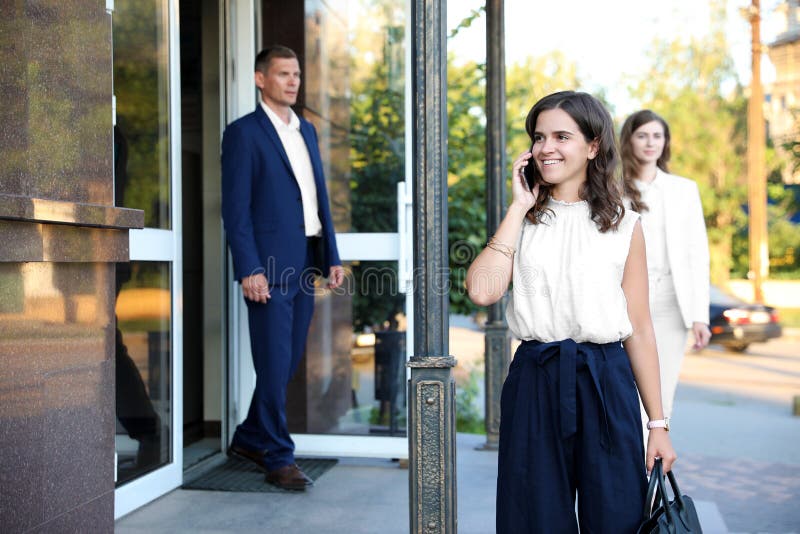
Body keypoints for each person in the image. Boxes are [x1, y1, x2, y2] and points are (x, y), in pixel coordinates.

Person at [466, 91, 676, 533]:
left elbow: (639, 327)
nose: (546, 148)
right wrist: (519, 206)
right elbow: (483, 292)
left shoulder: (625, 224)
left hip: (606, 380)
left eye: (562, 136)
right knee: (534, 518)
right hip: (536, 377)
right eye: (539, 137)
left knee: (617, 516)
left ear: (593, 145)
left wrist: (658, 424)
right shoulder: (522, 218)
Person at [221, 45, 344, 491]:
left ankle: (250, 437)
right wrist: (249, 268)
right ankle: (278, 456)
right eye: (282, 74)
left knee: (286, 361)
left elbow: (317, 199)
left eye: (296, 74)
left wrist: (330, 254)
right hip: (268, 267)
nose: (293, 81)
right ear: (260, 79)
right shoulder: (243, 134)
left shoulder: (306, 131)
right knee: (273, 363)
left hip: (305, 262)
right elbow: (235, 212)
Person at [620, 110, 711, 426]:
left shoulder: (684, 189)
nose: (650, 143)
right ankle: (628, 467)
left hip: (672, 300)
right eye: (642, 135)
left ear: (665, 143)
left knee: (663, 389)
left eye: (657, 136)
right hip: (627, 299)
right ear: (629, 140)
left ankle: (652, 468)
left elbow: (697, 253)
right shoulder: (613, 189)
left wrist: (700, 315)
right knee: (627, 387)